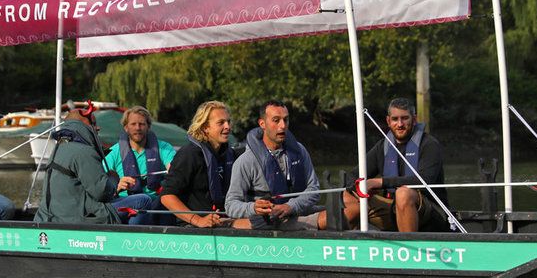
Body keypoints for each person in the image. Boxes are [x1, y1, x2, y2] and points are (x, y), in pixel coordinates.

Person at [226, 100, 353, 230]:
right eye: (276, 120)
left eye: (285, 120)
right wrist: (253, 208)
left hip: (298, 210)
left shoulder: (299, 150)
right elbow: (231, 205)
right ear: (262, 124)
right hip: (270, 222)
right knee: (337, 217)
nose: (282, 126)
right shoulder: (246, 161)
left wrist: (291, 206)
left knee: (355, 208)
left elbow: (314, 190)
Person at [33, 105, 153, 225]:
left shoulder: (59, 148)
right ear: (84, 124)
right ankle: (130, 241)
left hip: (53, 215)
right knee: (143, 201)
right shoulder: (83, 152)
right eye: (94, 124)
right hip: (78, 217)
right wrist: (114, 180)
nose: (98, 128)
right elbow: (102, 193)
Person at [345, 97, 449, 232]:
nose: (400, 124)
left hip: (432, 213)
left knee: (403, 194)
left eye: (405, 118)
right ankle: (340, 239)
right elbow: (352, 175)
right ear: (388, 121)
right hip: (392, 210)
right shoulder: (383, 147)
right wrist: (360, 188)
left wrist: (379, 182)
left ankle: (409, 248)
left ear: (414, 119)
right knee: (347, 194)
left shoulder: (429, 144)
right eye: (395, 119)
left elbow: (424, 180)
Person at [160, 101, 235, 228]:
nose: (228, 126)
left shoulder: (231, 154)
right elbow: (167, 196)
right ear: (205, 127)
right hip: (193, 228)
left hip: (225, 222)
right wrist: (198, 220)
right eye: (221, 123)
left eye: (228, 121)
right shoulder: (189, 154)